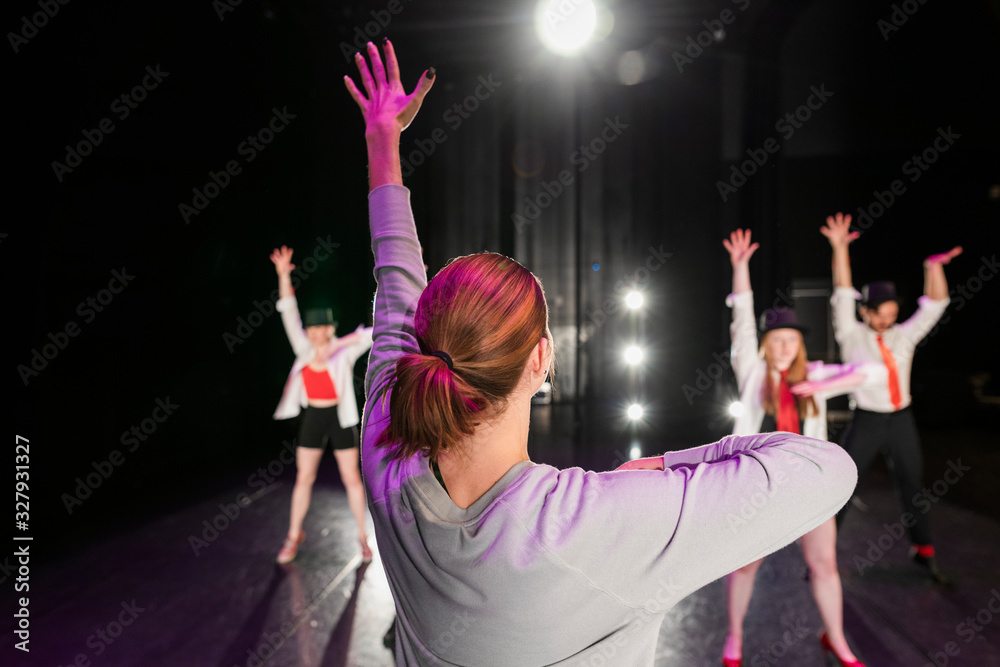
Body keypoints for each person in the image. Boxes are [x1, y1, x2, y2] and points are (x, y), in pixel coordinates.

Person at [345, 40, 858, 665]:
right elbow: (829, 469)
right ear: (542, 361)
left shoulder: (385, 452)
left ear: (420, 356)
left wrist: (381, 139)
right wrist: (663, 466)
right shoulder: (603, 521)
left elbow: (395, 273)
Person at [720, 229, 882, 667]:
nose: (784, 347)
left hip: (809, 487)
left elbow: (868, 373)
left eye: (791, 340)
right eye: (776, 340)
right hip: (758, 487)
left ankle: (837, 639)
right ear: (766, 345)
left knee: (825, 566)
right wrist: (740, 267)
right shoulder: (752, 374)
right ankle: (733, 640)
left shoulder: (815, 376)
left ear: (799, 346)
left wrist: (823, 383)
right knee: (745, 566)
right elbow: (742, 321)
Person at [821, 212, 961, 584]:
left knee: (912, 483)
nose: (887, 321)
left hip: (901, 419)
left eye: (892, 315)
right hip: (866, 418)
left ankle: (923, 549)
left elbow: (937, 303)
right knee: (844, 484)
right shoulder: (852, 335)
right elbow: (842, 292)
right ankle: (821, 553)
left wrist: (932, 268)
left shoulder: (904, 336)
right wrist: (839, 247)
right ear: (866, 313)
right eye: (880, 316)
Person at [269, 245, 374, 564]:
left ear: (330, 328)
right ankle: (293, 535)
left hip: (340, 420)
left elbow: (373, 334)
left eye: (322, 328)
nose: (316, 334)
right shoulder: (303, 349)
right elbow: (288, 311)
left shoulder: (343, 352)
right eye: (312, 329)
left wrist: (342, 343)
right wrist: (284, 275)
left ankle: (362, 537)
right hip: (314, 417)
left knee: (351, 479)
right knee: (304, 478)